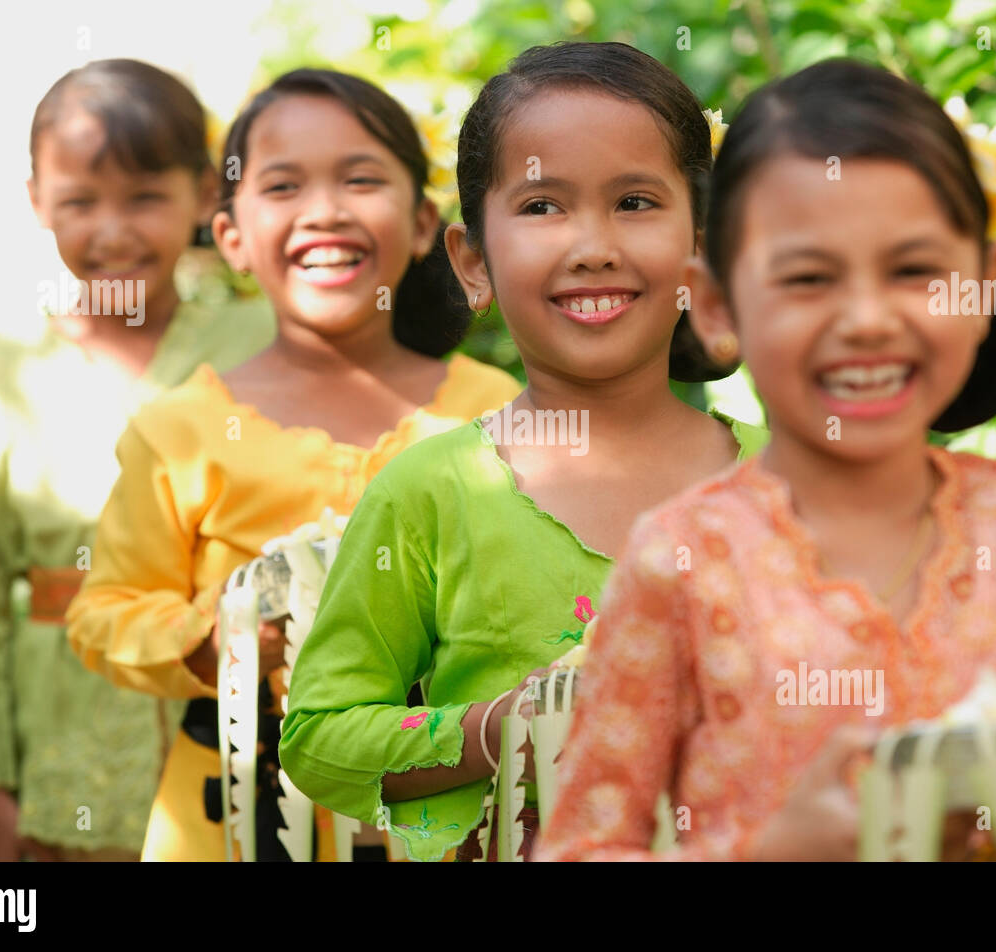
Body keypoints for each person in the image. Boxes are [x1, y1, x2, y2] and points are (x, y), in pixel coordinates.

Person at [534, 59, 996, 862]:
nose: (865, 320)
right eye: (809, 277)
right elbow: (580, 846)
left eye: (915, 272)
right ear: (716, 305)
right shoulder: (683, 561)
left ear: (985, 282)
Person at [279, 41, 768, 863]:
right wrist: (500, 730)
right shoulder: (431, 490)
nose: (593, 246)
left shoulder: (782, 484)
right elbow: (321, 736)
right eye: (543, 207)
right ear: (473, 261)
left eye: (637, 201)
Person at [65, 68, 521, 861]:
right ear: (233, 236)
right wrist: (215, 636)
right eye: (282, 185)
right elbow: (104, 613)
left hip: (447, 812)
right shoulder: (180, 428)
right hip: (226, 819)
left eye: (360, 178)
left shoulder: (495, 410)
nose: (324, 211)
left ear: (421, 224)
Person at [0, 59, 275, 860]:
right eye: (78, 202)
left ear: (205, 193)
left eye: (144, 197)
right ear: (36, 201)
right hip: (55, 766)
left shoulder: (261, 345)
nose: (111, 231)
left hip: (231, 741)